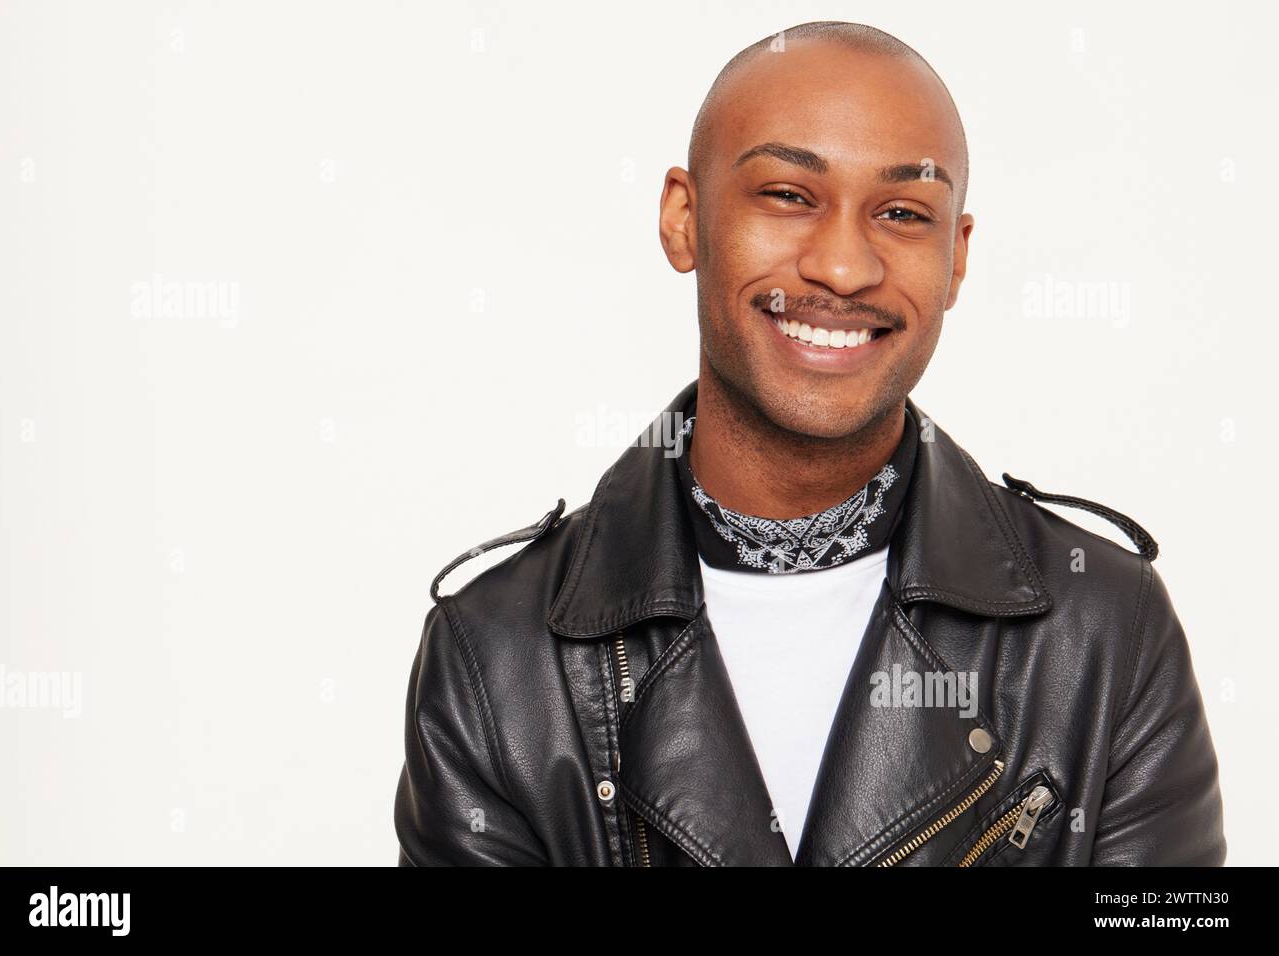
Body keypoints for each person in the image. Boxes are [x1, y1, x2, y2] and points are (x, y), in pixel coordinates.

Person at [394, 21, 1226, 866]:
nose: (841, 266)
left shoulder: (1103, 629)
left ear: (955, 260)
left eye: (903, 213)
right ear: (685, 219)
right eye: (789, 195)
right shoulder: (499, 654)